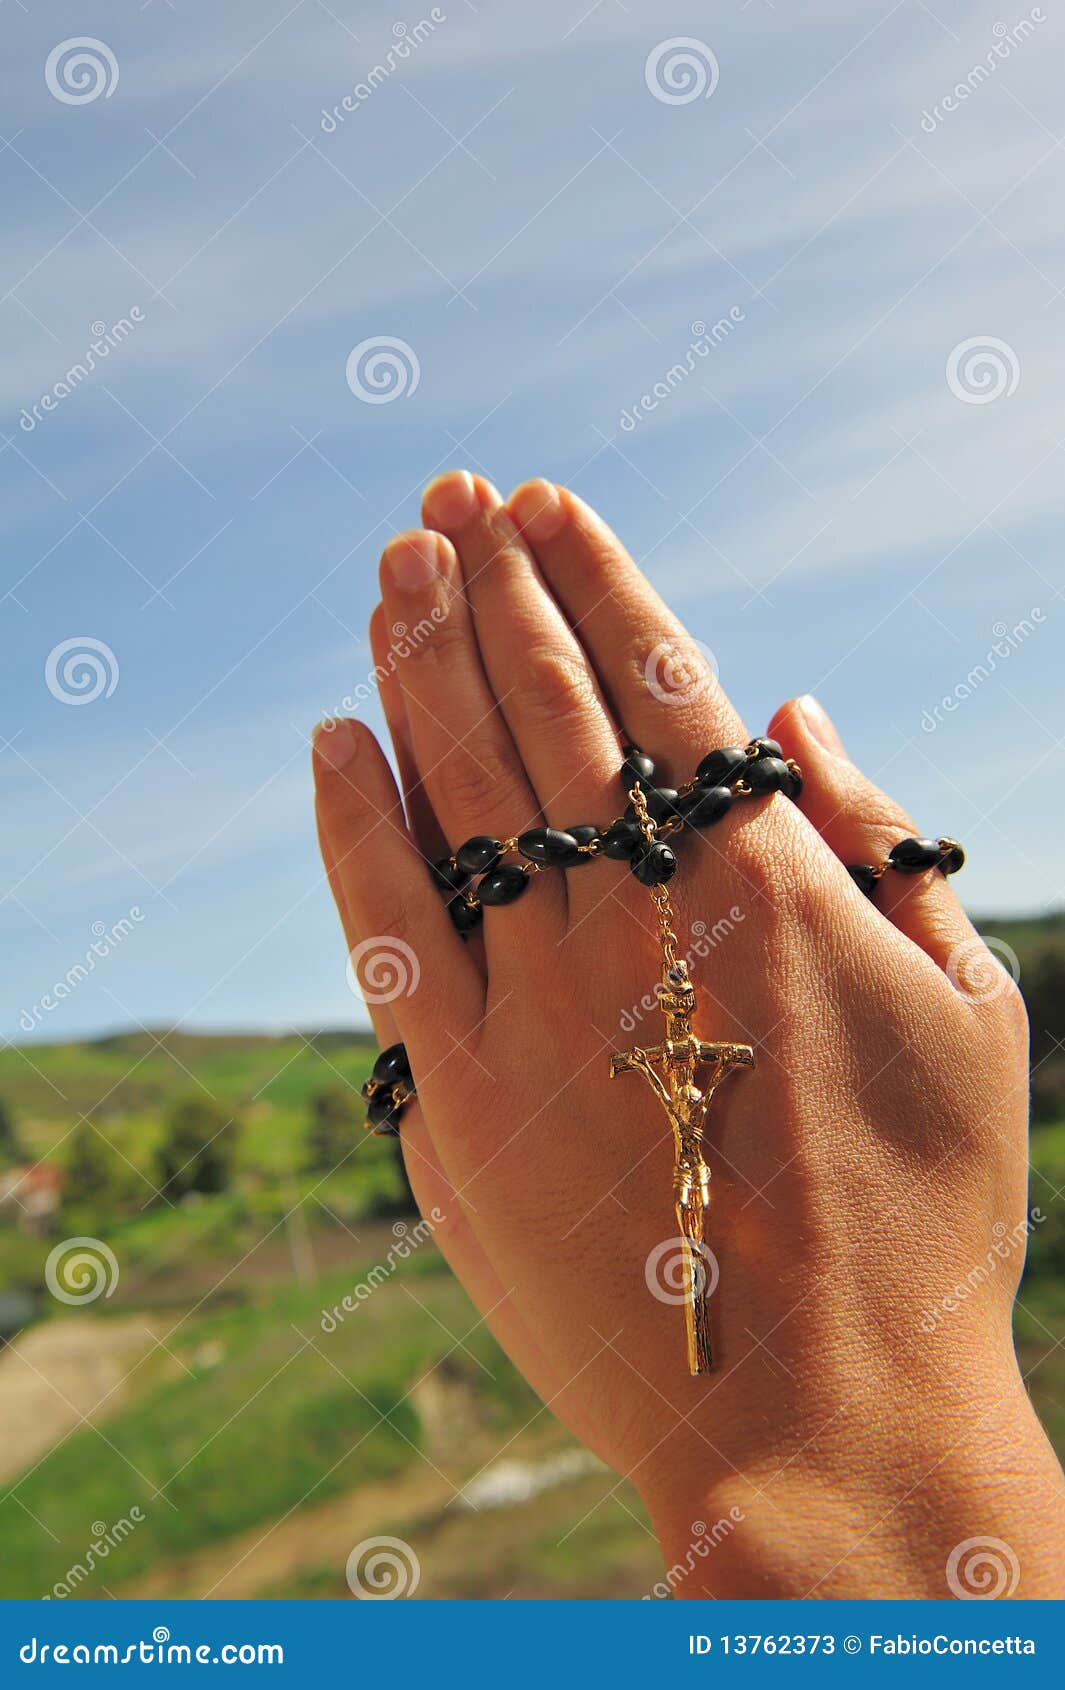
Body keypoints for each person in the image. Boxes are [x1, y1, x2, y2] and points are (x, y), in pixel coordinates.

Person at [312, 470, 1065, 1598]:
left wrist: (802, 1447)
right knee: (692, 1192)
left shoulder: (687, 1059)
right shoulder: (662, 1059)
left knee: (691, 1197)